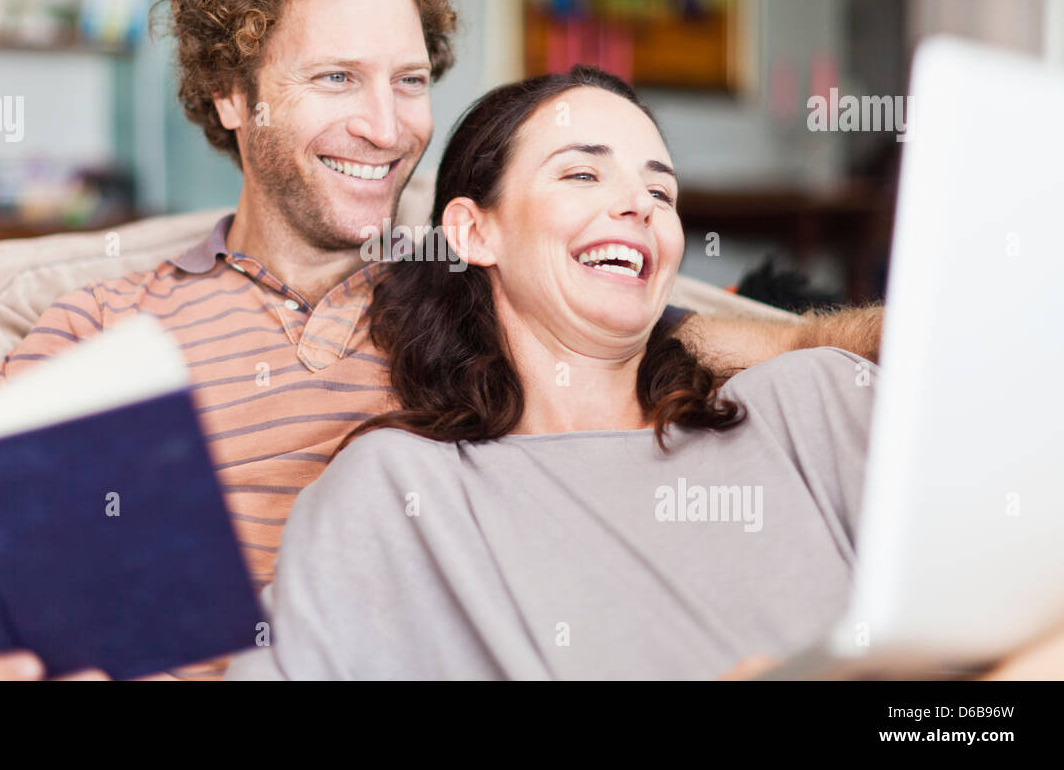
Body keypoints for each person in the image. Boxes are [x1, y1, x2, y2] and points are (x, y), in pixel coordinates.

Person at [0, 0, 882, 681]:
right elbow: (14, 598)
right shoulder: (98, 330)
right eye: (336, 78)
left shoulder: (485, 289)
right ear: (232, 96)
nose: (386, 125)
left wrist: (826, 340)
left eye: (409, 81)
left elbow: (731, 344)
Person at [209, 66, 1049, 679]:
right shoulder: (399, 493)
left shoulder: (811, 402)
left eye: (662, 190)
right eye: (582, 173)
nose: (639, 205)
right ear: (473, 232)